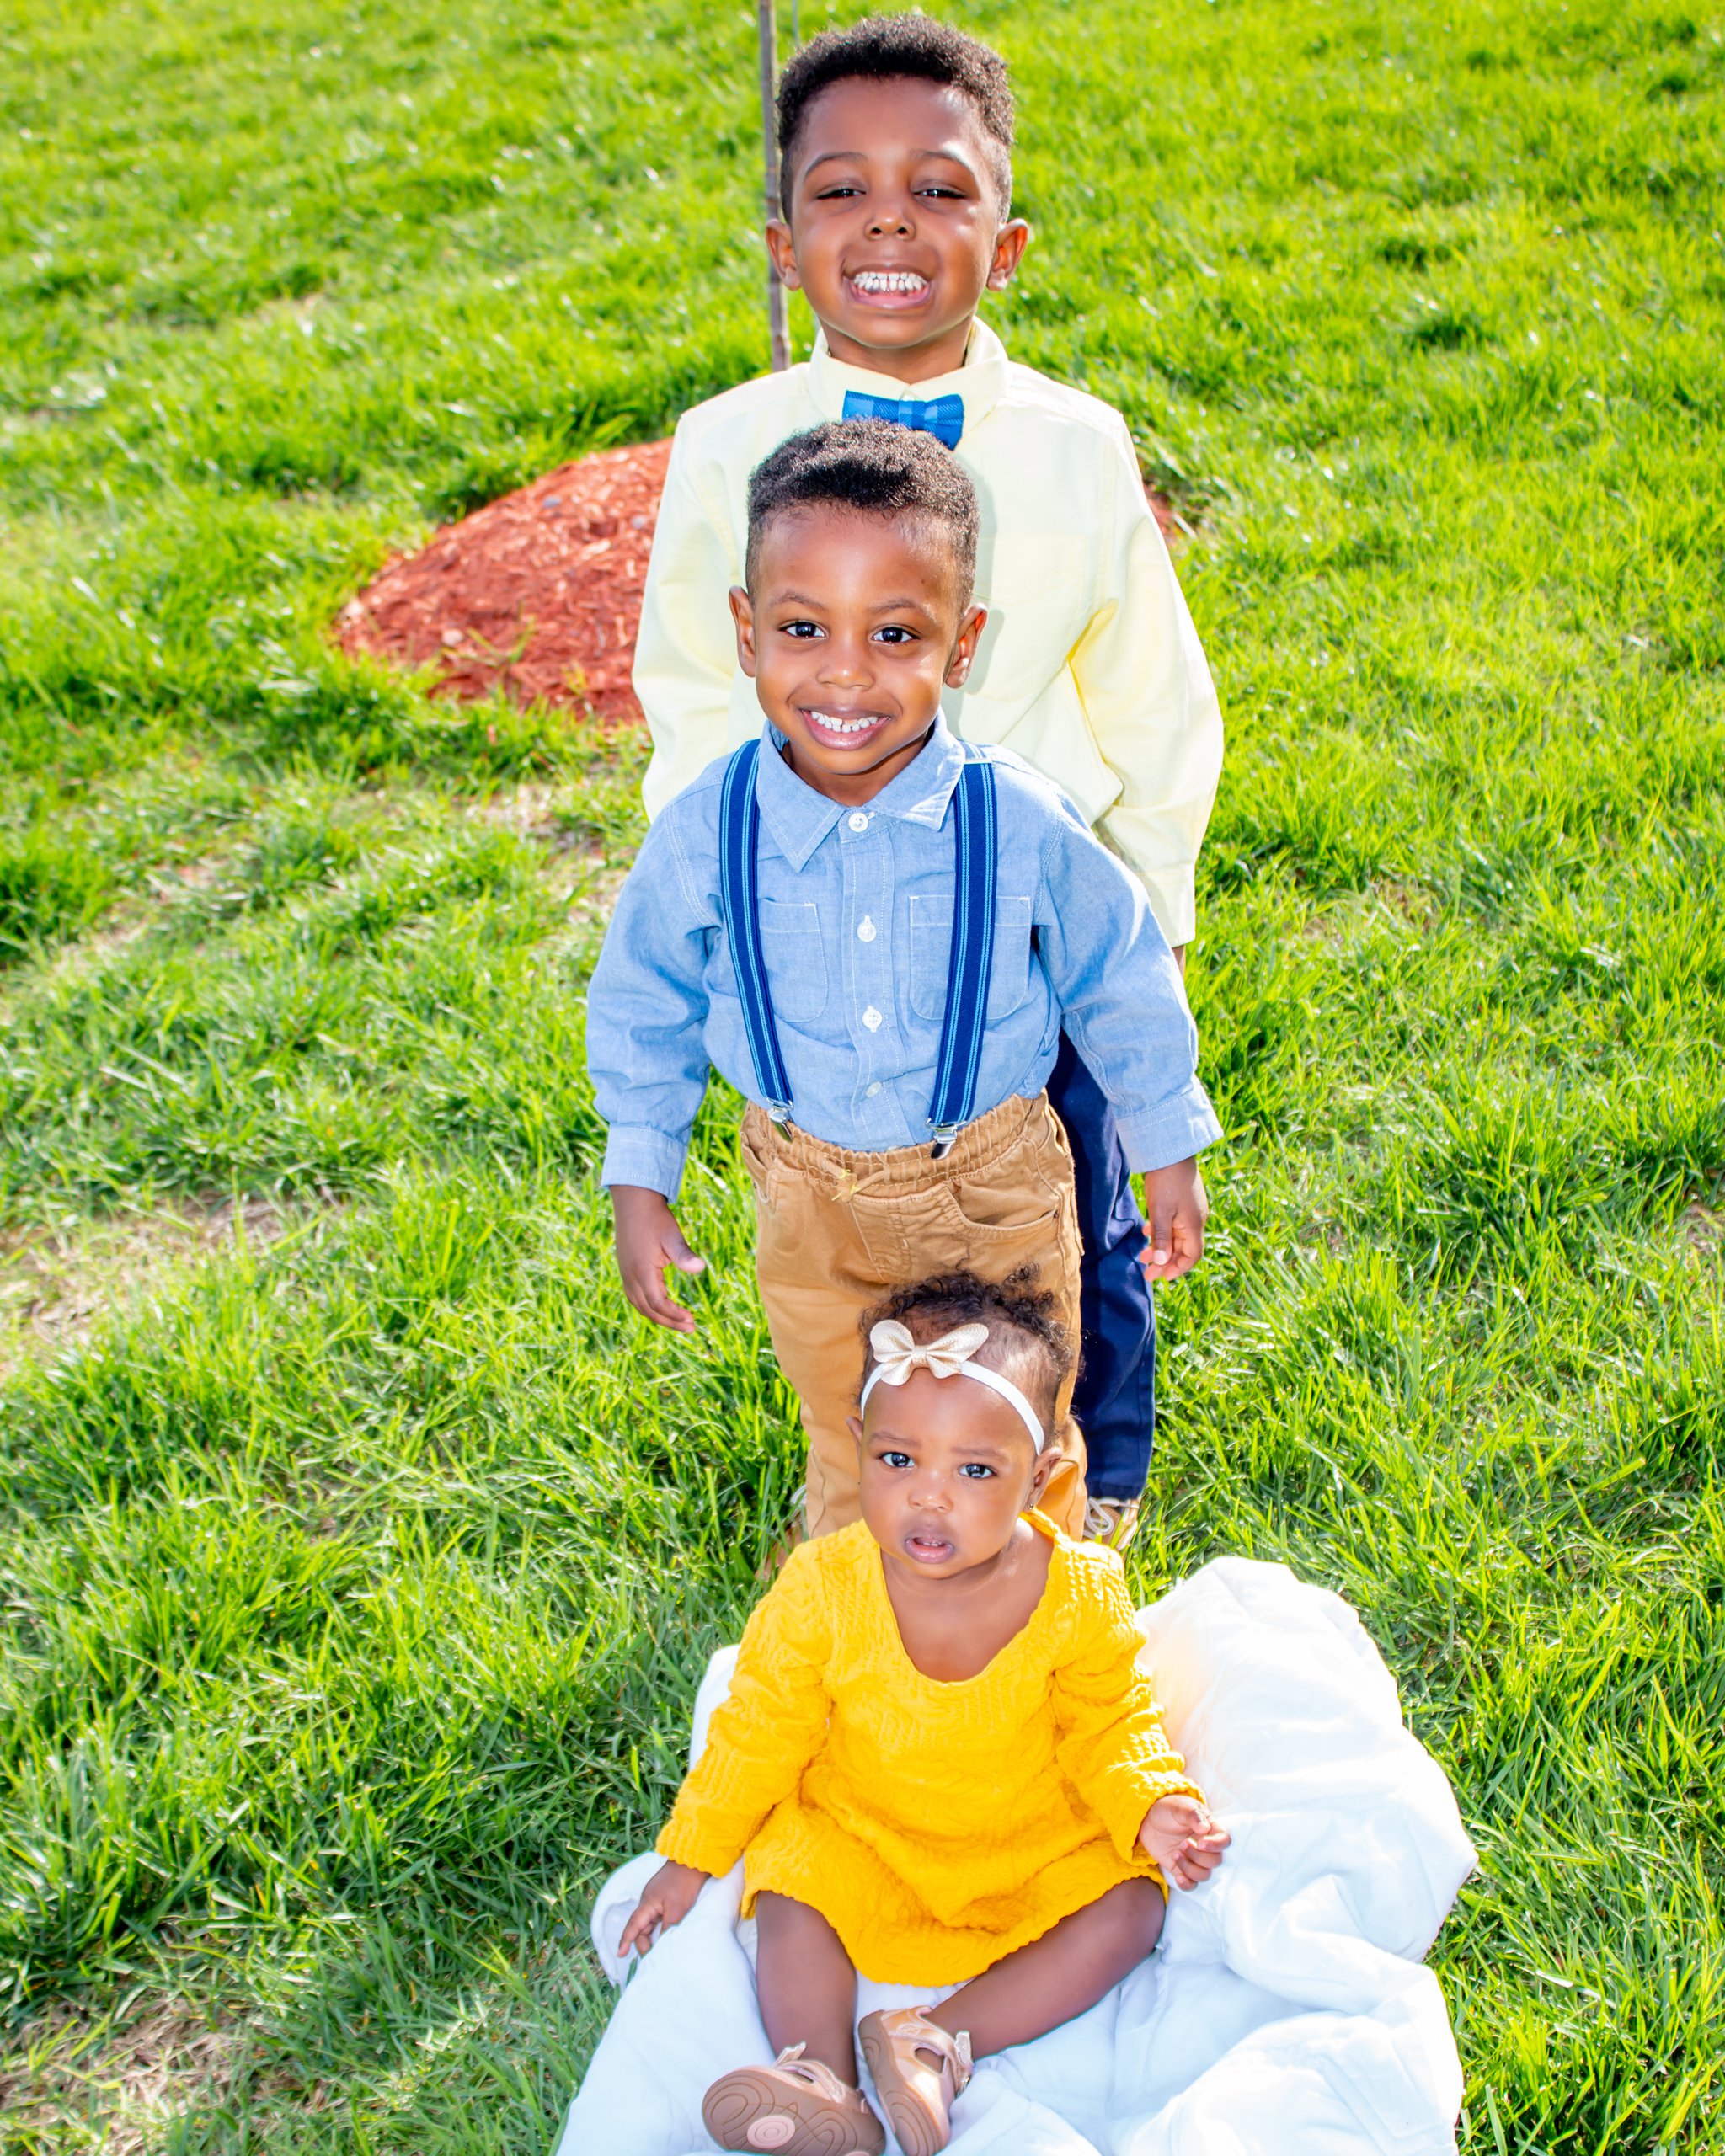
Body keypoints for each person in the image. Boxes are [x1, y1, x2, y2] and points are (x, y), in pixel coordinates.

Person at [632, 14, 1225, 1547]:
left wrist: (1146, 913)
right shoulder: (723, 447)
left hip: (1024, 926)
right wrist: (746, 885)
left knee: (1075, 1236)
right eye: (841, 191)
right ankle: (884, 1488)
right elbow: (691, 689)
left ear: (1004, 239)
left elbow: (1152, 695)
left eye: (937, 190)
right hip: (817, 918)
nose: (887, 221)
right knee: (842, 1231)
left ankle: (1087, 1501)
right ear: (781, 241)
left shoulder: (1077, 449)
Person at [588, 420, 1219, 1540]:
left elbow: (1117, 975)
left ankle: (1051, 1618)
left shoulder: (1016, 818)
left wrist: (1163, 1144)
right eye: (801, 628)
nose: (844, 671)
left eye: (894, 633)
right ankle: (855, 1626)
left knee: (1015, 1431)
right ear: (746, 631)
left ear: (962, 644)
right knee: (850, 1435)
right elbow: (646, 1000)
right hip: (810, 1201)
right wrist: (643, 1176)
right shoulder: (707, 833)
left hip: (994, 1190)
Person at [617, 1272, 1231, 2156]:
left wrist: (1149, 1804)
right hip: (867, 1824)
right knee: (790, 1878)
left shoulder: (1078, 1593)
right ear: (858, 1446)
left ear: (1039, 1478)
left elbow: (1111, 1719)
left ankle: (934, 2042)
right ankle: (817, 2078)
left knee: (1131, 1906)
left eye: (974, 1469)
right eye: (897, 1459)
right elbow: (759, 1726)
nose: (928, 1495)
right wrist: (687, 1857)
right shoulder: (824, 1588)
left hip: (1023, 1836)